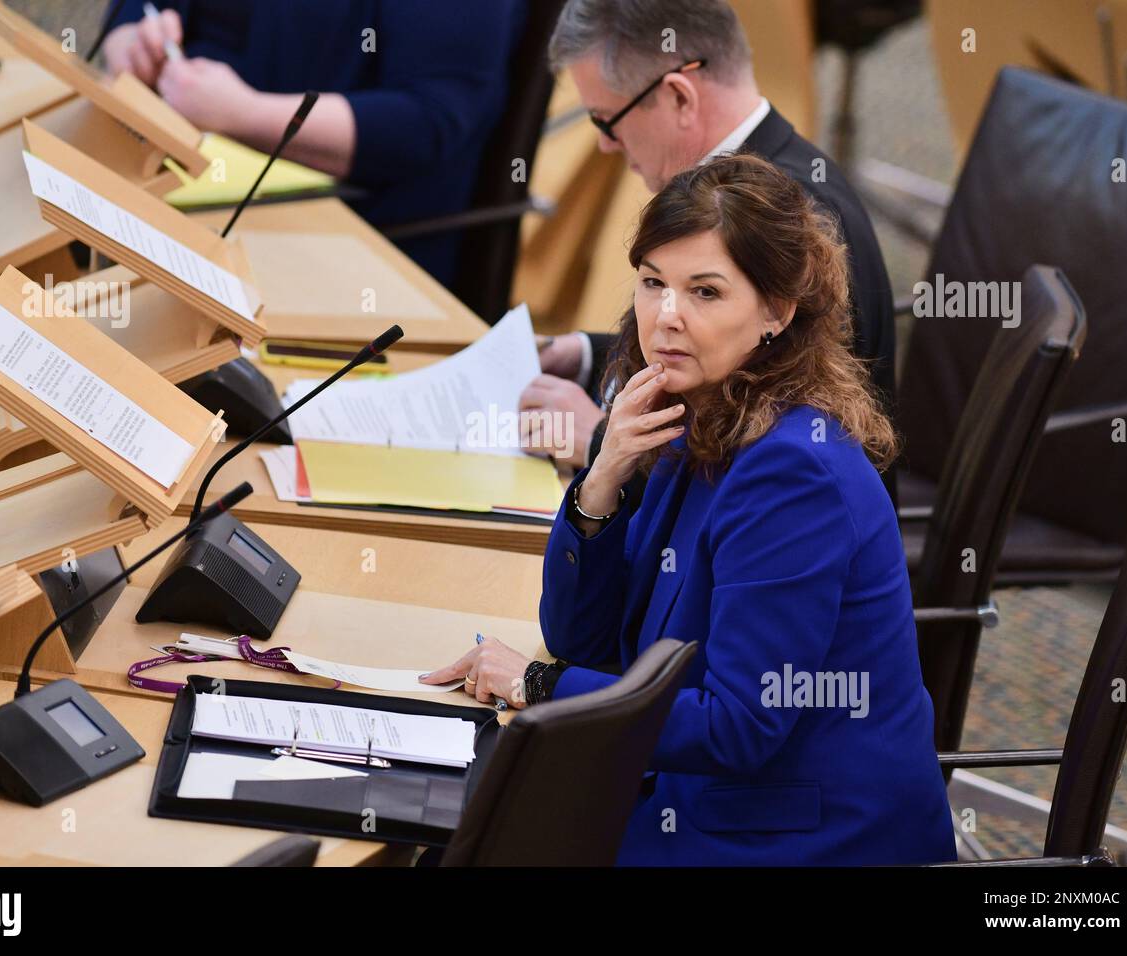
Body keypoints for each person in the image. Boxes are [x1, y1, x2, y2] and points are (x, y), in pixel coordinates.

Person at [422, 153, 953, 866]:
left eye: (704, 292)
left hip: (794, 838)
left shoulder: (793, 473)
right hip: (695, 794)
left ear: (776, 311)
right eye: (653, 284)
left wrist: (536, 684)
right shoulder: (693, 414)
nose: (666, 317)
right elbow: (584, 638)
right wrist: (600, 484)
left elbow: (741, 728)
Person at [521, 0, 896, 499]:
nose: (608, 145)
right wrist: (590, 354)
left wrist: (600, 442)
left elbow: (762, 446)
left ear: (679, 96)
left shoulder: (792, 216)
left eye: (607, 120)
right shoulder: (774, 181)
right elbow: (728, 356)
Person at [99, 0, 526, 287]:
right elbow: (140, 8)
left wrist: (245, 113)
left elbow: (428, 119)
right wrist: (134, 41)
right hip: (167, 157)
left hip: (337, 232)